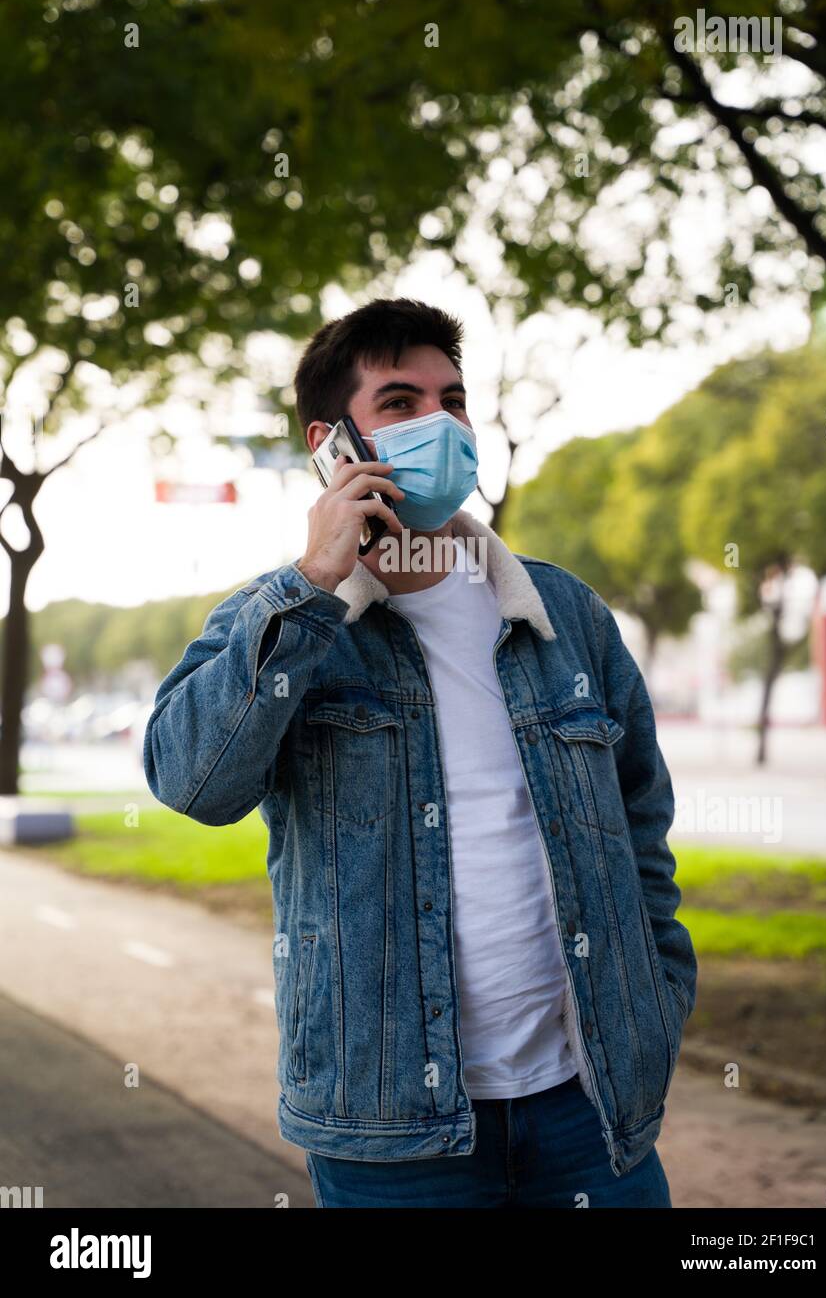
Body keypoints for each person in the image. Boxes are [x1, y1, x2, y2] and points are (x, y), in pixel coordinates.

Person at [143, 296, 697, 1209]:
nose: (438, 423)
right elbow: (192, 781)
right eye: (400, 403)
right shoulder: (278, 619)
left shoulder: (566, 615)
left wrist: (657, 1002)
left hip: (590, 1110)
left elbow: (642, 826)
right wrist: (314, 583)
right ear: (333, 445)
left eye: (453, 399)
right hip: (392, 1129)